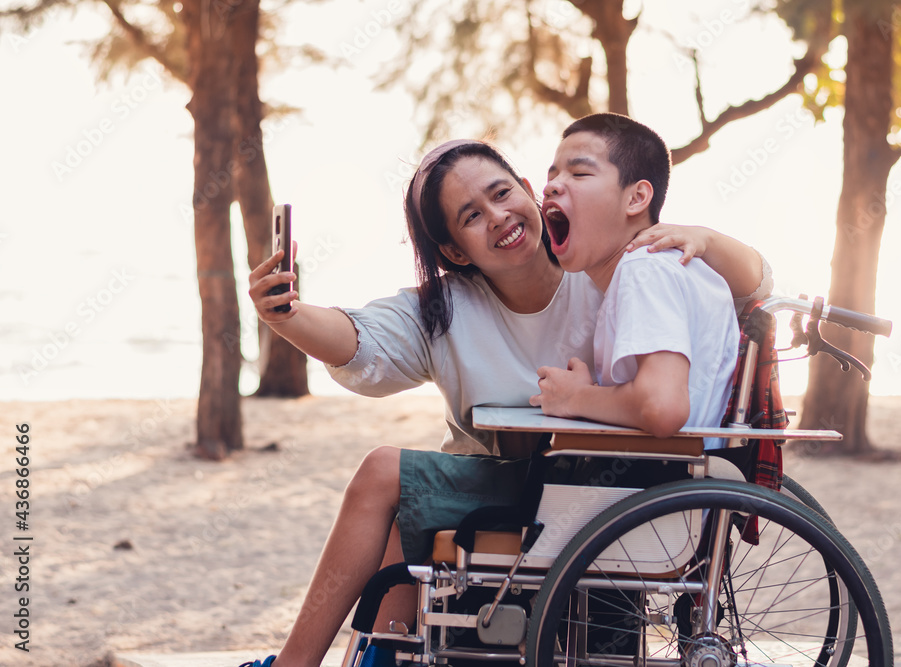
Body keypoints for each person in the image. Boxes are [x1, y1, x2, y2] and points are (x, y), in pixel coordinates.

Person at [241, 139, 770, 667]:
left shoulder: (606, 265)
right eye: (472, 215)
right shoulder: (445, 307)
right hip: (520, 492)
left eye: (502, 193)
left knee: (389, 477)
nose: (498, 217)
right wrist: (287, 315)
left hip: (592, 495)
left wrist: (705, 237)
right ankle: (379, 655)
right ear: (453, 250)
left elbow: (753, 287)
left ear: (527, 191)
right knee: (404, 504)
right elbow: (359, 341)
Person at [530, 113, 739, 449]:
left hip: (659, 489)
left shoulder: (644, 269)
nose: (551, 186)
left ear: (637, 198)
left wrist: (576, 397)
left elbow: (662, 407)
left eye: (579, 173)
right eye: (552, 175)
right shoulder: (662, 268)